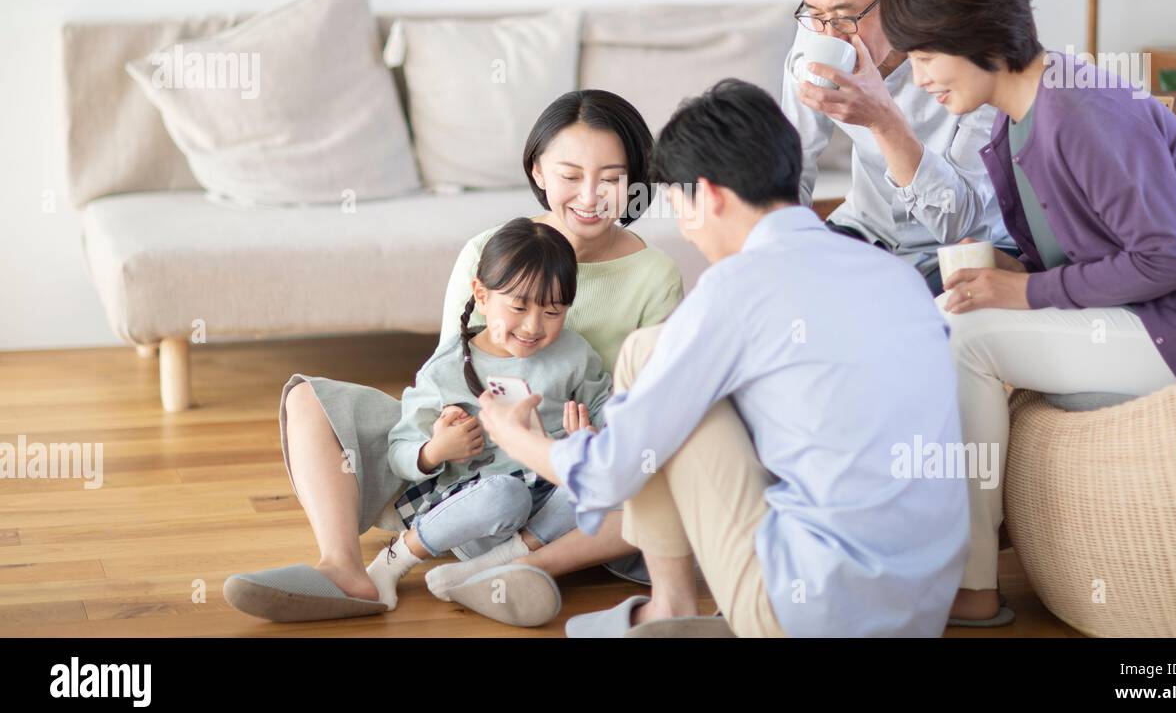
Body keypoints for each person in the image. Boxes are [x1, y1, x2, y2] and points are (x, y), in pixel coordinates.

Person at [879, 0, 1176, 625]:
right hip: (1158, 321)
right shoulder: (1019, 121)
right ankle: (951, 556)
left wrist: (1025, 293)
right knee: (956, 322)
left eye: (924, 57)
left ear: (973, 32)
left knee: (967, 342)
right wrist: (1014, 270)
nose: (918, 79)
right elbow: (1091, 253)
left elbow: (1167, 258)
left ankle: (972, 581)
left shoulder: (1081, 108)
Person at [472, 79, 970, 637]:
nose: (687, 232)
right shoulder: (895, 274)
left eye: (680, 207)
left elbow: (611, 473)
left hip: (809, 614)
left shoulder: (734, 289)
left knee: (648, 356)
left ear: (706, 195)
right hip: (926, 609)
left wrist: (517, 438)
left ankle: (669, 608)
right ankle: (671, 609)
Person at [223, 90, 683, 622]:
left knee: (675, 463)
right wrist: (439, 443)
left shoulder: (655, 277)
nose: (590, 195)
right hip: (470, 467)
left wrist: (586, 444)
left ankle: (520, 568)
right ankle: (346, 570)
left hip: (574, 487)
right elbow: (450, 370)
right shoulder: (487, 250)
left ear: (635, 180)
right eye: (570, 174)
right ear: (538, 171)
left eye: (611, 177)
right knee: (308, 399)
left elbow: (644, 411)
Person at [363, 218, 611, 615]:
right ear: (481, 294)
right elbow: (400, 451)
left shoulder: (574, 353)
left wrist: (593, 436)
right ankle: (395, 560)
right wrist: (436, 450)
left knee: (596, 477)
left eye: (553, 311)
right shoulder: (445, 369)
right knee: (505, 494)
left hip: (549, 518)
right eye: (518, 307)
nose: (533, 326)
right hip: (477, 515)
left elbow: (606, 408)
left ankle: (502, 563)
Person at [781, 0, 1011, 294]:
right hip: (866, 231)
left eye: (845, 16)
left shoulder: (972, 59)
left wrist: (882, 119)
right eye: (815, 13)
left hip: (960, 247)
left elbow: (956, 220)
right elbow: (793, 161)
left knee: (901, 311)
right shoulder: (816, 37)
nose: (829, 35)